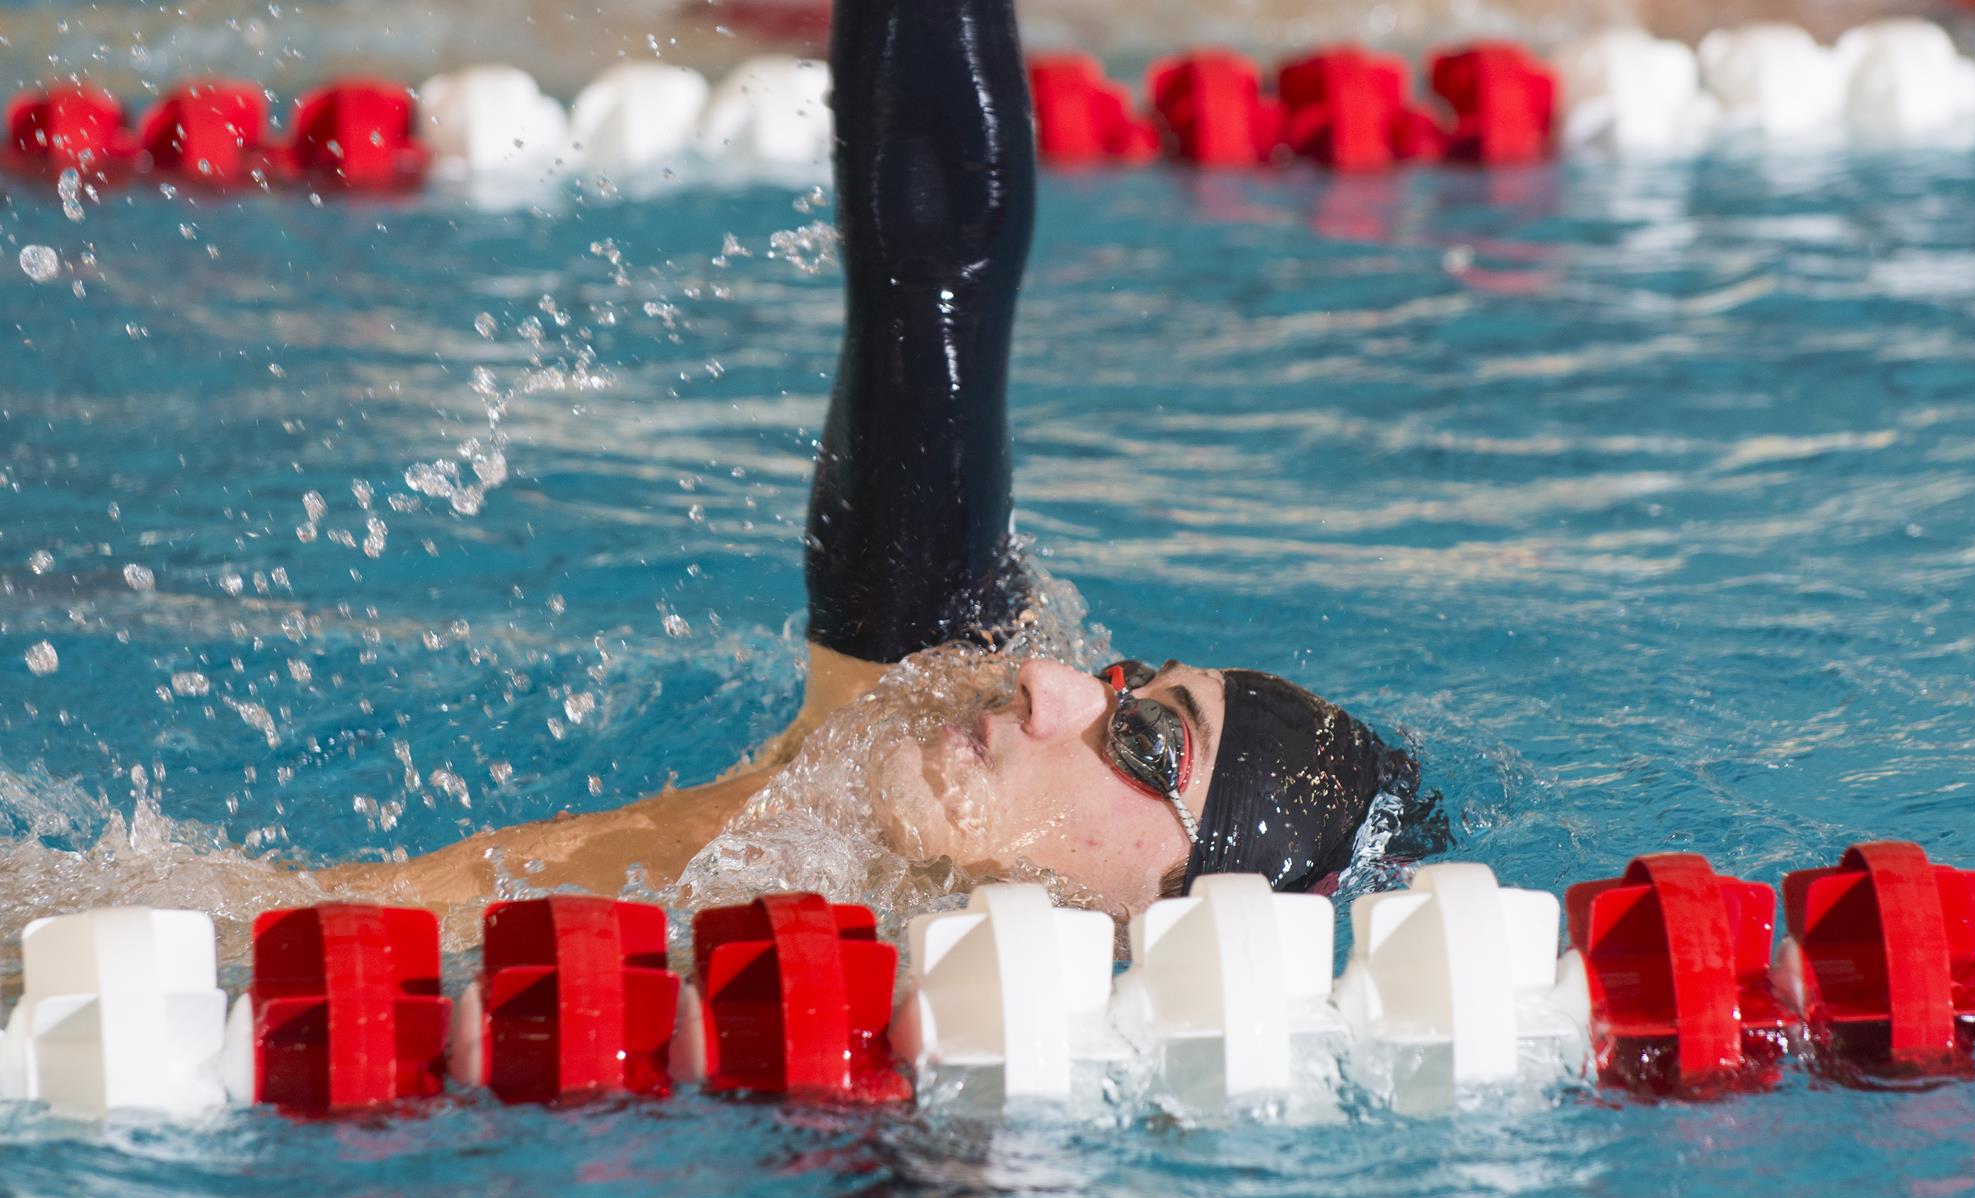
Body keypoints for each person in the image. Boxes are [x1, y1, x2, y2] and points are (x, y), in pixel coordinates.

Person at [326, 0, 1440, 920]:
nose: (1045, 682)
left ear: (1190, 923)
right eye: (1125, 686)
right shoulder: (873, 743)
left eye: (1146, 741)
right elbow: (938, 259)